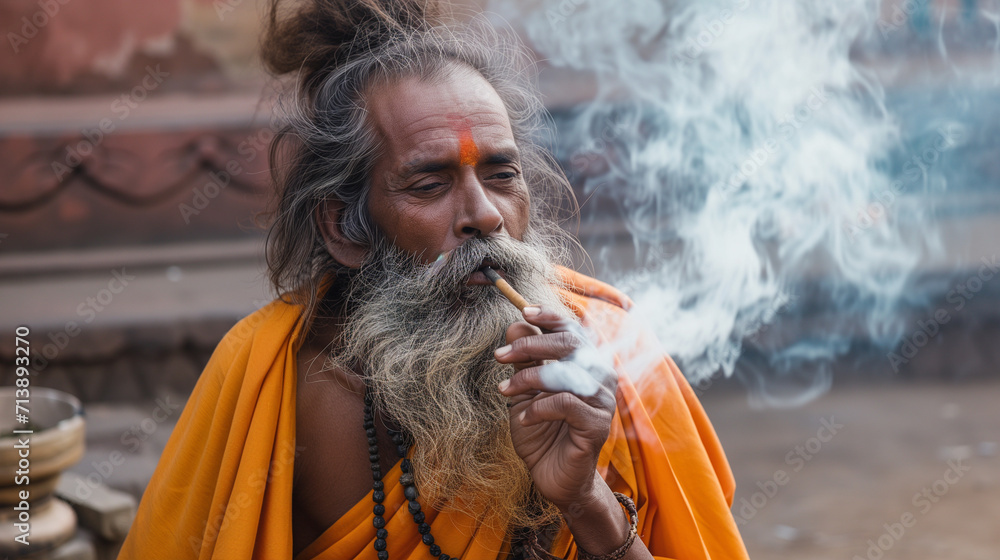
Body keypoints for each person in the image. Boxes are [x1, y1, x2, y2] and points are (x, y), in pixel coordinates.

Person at [118, 1, 749, 559]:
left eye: (502, 175)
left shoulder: (606, 353)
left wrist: (586, 502)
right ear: (346, 228)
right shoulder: (270, 380)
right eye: (429, 184)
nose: (484, 215)